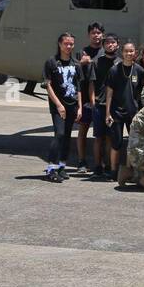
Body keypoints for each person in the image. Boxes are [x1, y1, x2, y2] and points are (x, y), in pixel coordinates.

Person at [43, 32, 81, 181]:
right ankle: (51, 168)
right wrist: (58, 105)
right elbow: (48, 85)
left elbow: (78, 87)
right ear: (60, 44)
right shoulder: (51, 62)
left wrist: (80, 107)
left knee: (66, 137)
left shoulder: (75, 64)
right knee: (59, 134)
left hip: (72, 105)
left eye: (71, 44)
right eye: (66, 43)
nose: (69, 46)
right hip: (58, 106)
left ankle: (61, 167)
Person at [105, 41, 143, 186]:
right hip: (116, 112)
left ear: (135, 53)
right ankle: (113, 171)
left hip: (132, 113)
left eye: (131, 51)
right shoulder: (114, 70)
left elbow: (140, 93)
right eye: (126, 51)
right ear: (122, 53)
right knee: (117, 142)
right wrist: (107, 112)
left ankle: (127, 172)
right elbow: (109, 92)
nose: (129, 54)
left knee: (131, 144)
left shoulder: (138, 70)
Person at [86, 31, 119, 179]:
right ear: (103, 45)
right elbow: (92, 83)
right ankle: (97, 166)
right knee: (98, 137)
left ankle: (107, 166)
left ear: (117, 44)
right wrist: (93, 101)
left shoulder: (120, 62)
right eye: (107, 42)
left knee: (110, 138)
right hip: (99, 104)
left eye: (113, 42)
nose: (110, 45)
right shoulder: (97, 61)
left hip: (114, 106)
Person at [75, 22, 104, 172]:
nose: (96, 35)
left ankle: (100, 162)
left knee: (101, 134)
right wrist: (81, 63)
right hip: (85, 98)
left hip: (102, 98)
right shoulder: (82, 52)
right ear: (89, 35)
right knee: (83, 129)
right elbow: (74, 72)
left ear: (102, 35)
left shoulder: (105, 52)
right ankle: (81, 161)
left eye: (98, 33)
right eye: (93, 33)